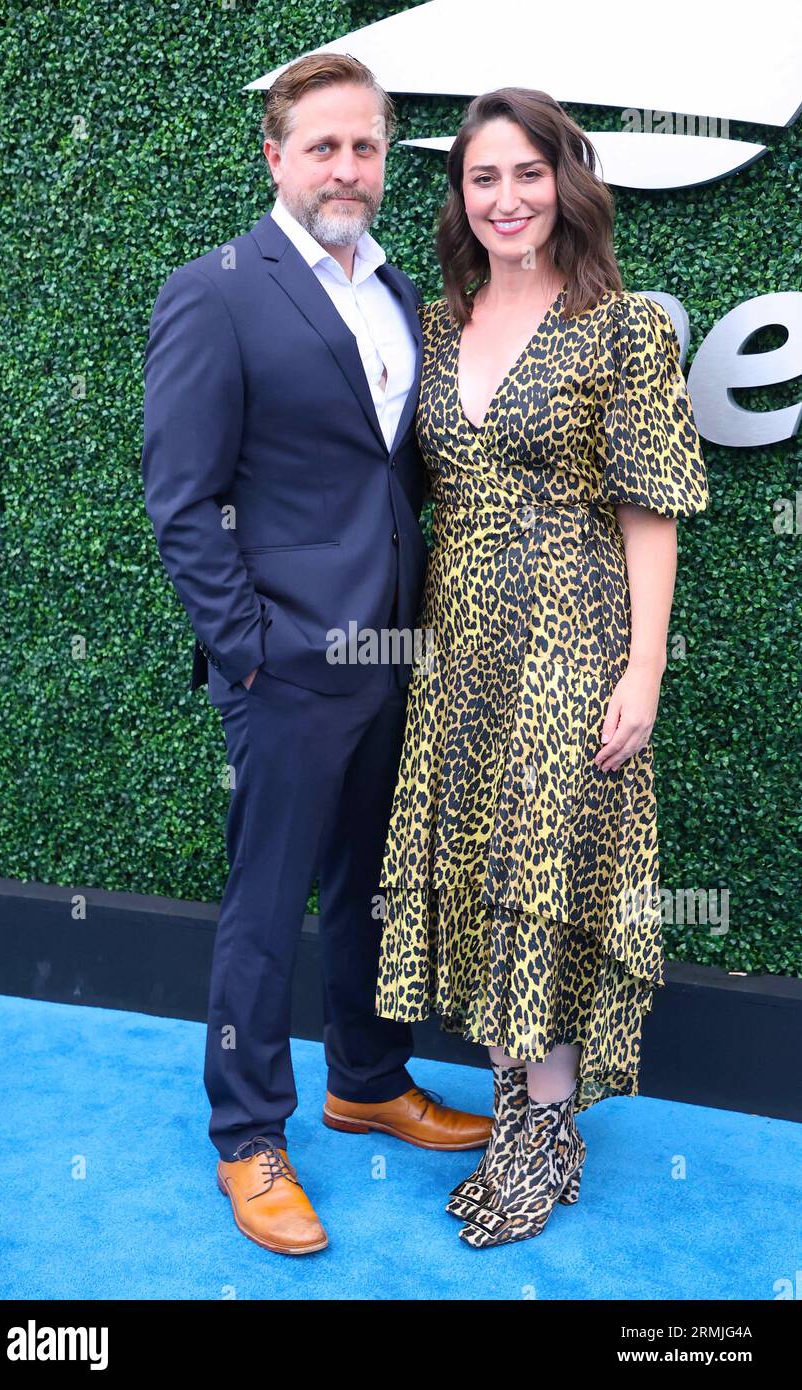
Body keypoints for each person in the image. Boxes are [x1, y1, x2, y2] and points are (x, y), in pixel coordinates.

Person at [140, 53, 491, 1259]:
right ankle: (247, 1137)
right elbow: (181, 501)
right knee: (261, 908)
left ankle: (366, 1078)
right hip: (284, 669)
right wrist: (247, 653)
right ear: (277, 157)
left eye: (367, 148)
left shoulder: (397, 290)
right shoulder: (217, 293)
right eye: (325, 146)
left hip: (395, 656)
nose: (348, 168)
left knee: (364, 887)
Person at [374, 87, 710, 1248]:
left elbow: (650, 511)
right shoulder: (430, 323)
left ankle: (541, 1124)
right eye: (481, 178)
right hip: (456, 646)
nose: (503, 198)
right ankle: (525, 1105)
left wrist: (643, 669)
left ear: (562, 184)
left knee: (542, 872)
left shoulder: (619, 328)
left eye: (524, 174)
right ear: (459, 197)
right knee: (480, 873)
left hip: (571, 633)